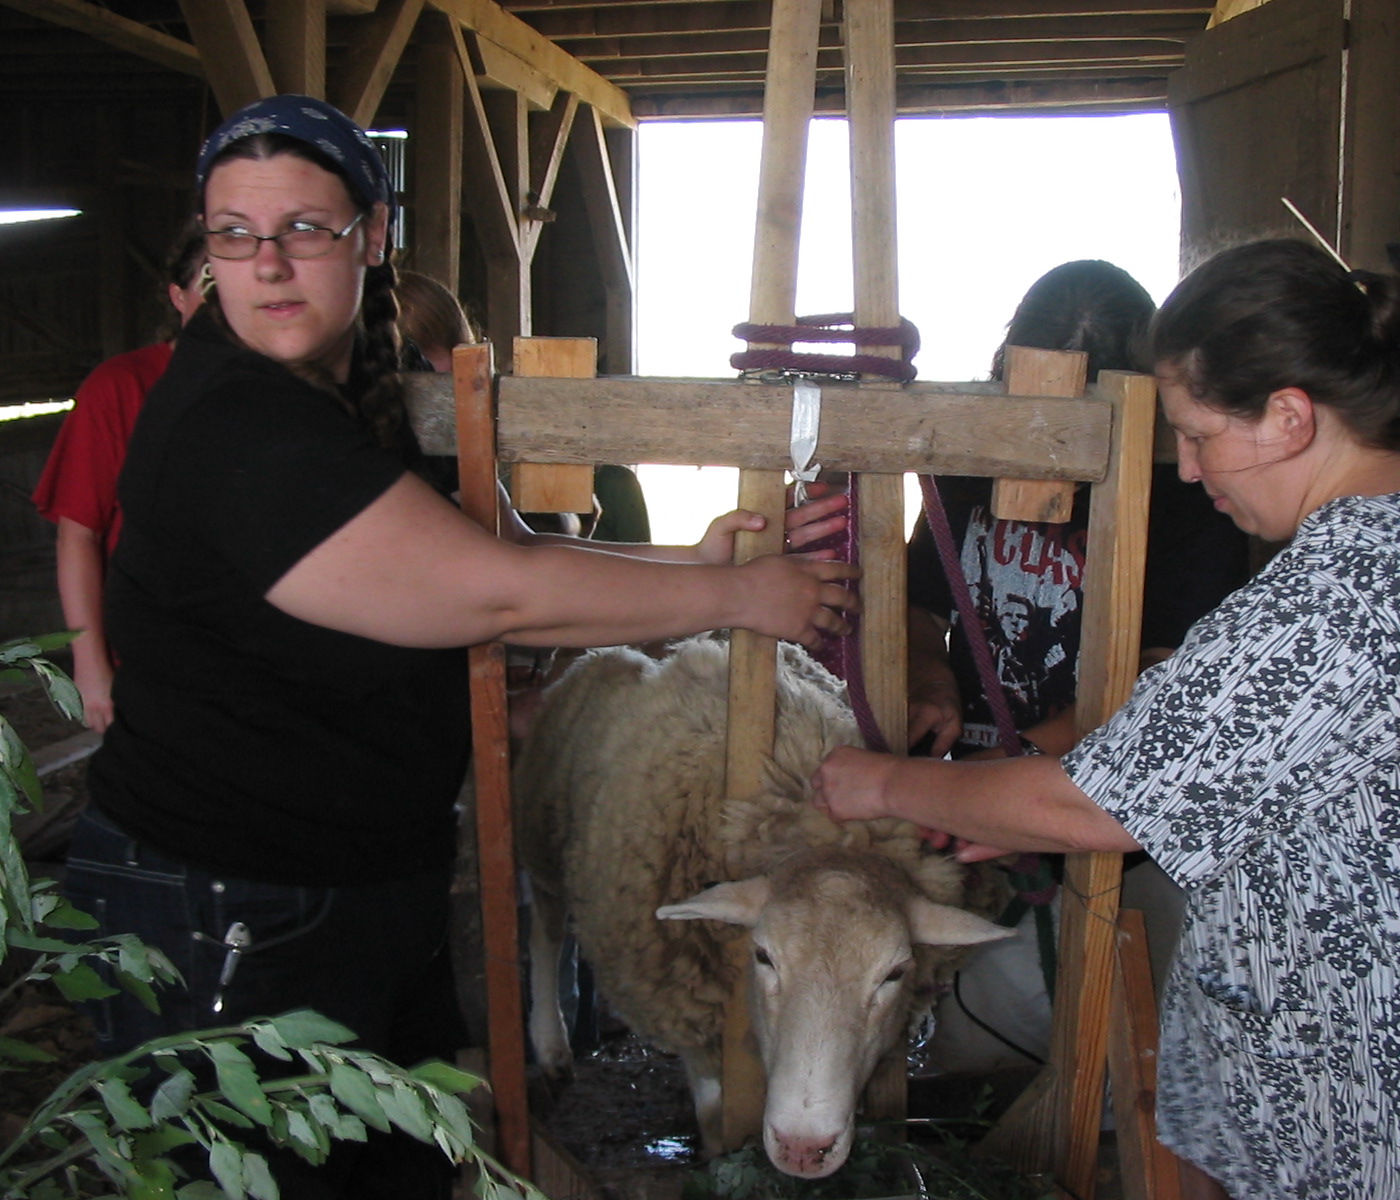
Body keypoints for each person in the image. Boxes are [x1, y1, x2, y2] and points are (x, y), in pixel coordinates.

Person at [61, 94, 855, 1199]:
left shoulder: (364, 392)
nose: (270, 263)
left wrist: (692, 564)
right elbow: (495, 600)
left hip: (348, 884)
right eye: (234, 235)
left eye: (306, 228)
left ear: (372, 235)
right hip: (226, 902)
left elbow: (499, 545)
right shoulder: (238, 430)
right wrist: (731, 597)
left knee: (393, 1171)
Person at [812, 238, 1400, 1198]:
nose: (1183, 470)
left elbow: (1102, 807)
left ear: (1287, 416)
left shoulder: (1345, 589)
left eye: (1195, 434)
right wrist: (988, 798)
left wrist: (882, 783)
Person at [894, 261, 1248, 1073]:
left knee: (1110, 1047)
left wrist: (1004, 774)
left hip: (1111, 827)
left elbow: (1163, 686)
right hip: (980, 807)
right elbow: (923, 599)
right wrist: (927, 676)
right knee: (965, 1042)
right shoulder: (970, 456)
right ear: (1004, 379)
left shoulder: (1190, 502)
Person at [31, 224, 208, 732]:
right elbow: (78, 534)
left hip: (253, 662)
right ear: (178, 296)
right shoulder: (120, 386)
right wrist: (90, 669)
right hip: (149, 661)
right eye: (208, 280)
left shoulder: (281, 390)